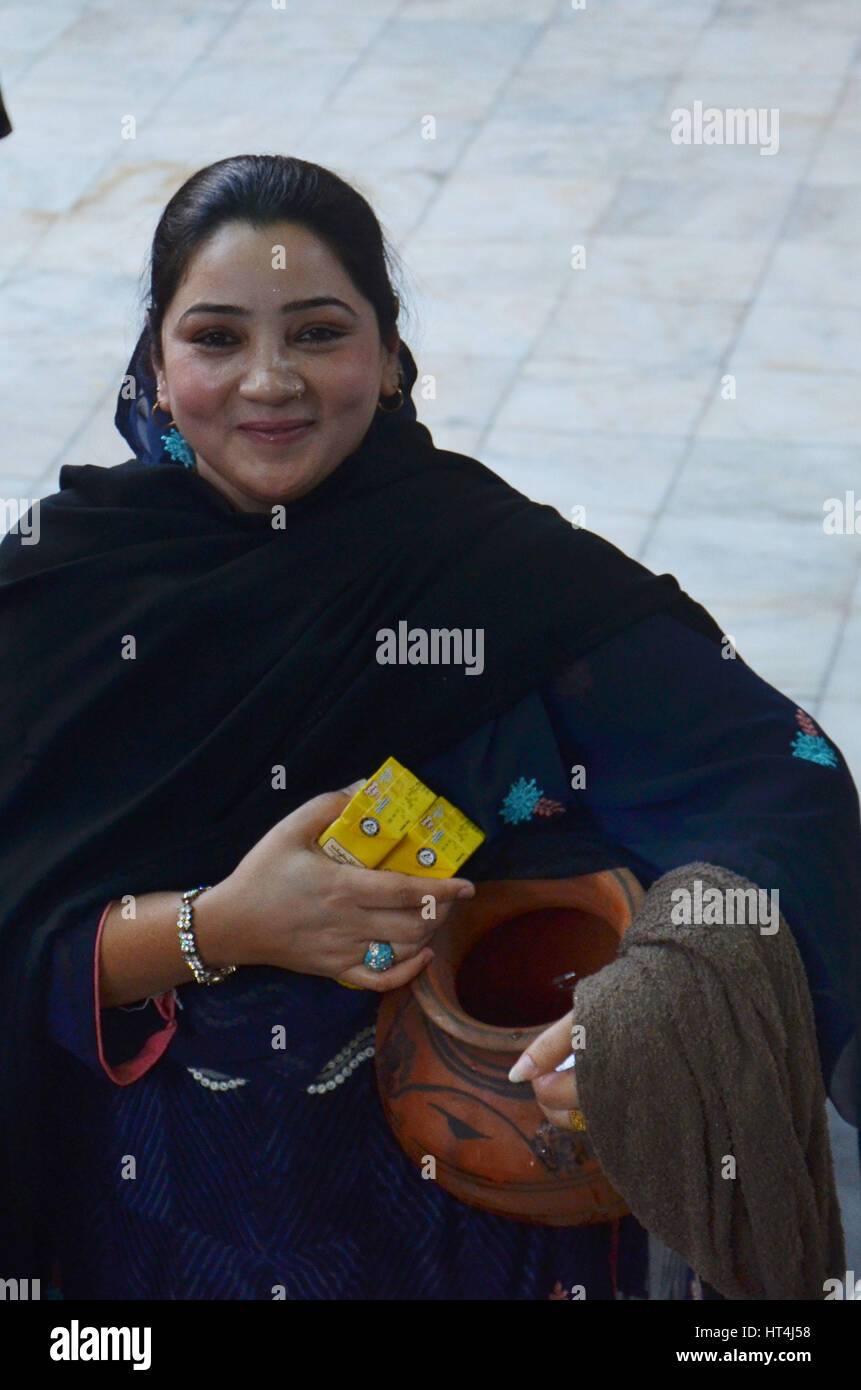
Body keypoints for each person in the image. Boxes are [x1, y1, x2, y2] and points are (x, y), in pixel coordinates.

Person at [1, 154, 858, 1300]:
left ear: (392, 356)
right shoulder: (55, 604)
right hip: (155, 1232)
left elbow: (778, 783)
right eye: (215, 338)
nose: (270, 381)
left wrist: (658, 1011)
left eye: (318, 332)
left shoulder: (505, 580)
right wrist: (221, 927)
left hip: (467, 1230)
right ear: (155, 364)